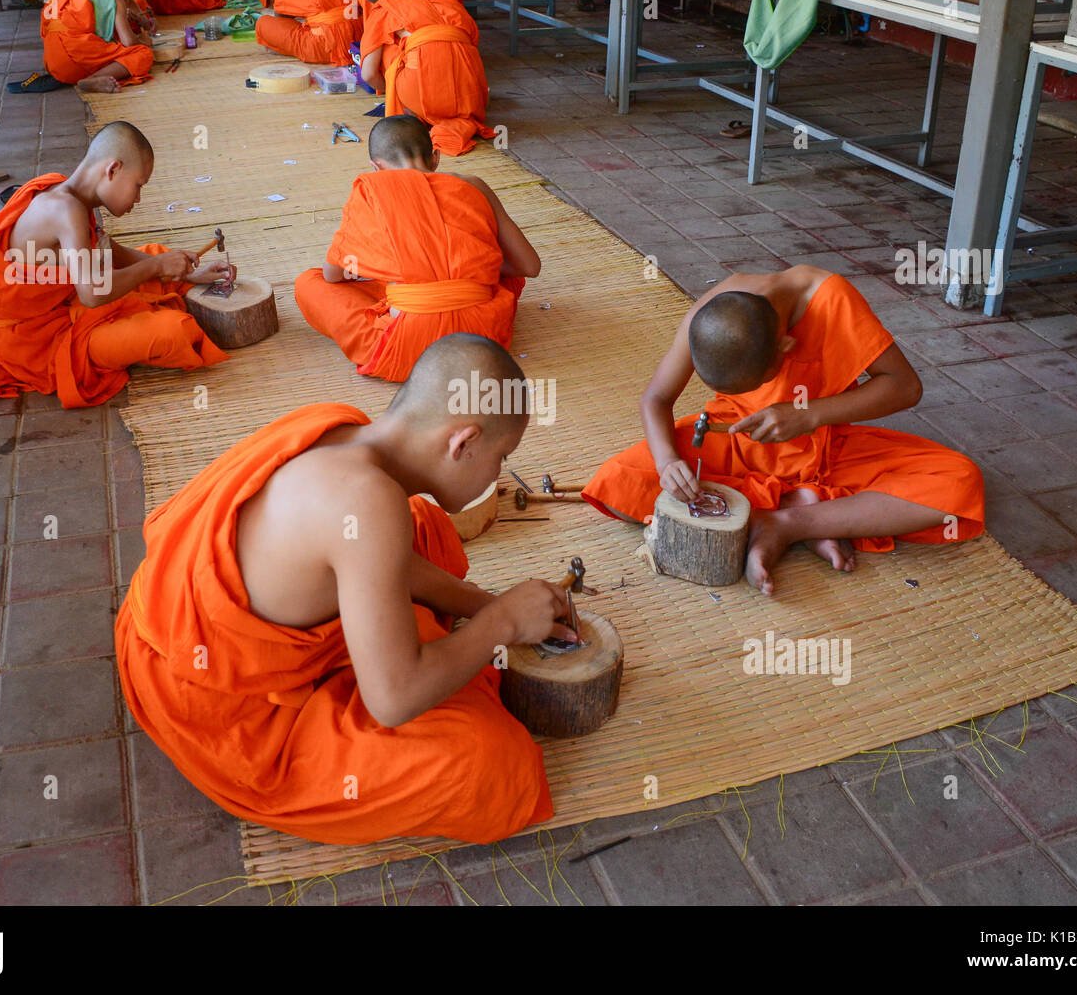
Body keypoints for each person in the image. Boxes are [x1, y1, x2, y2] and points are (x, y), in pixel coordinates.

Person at [115, 333, 568, 844]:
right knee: (490, 763)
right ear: (461, 443)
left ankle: (399, 647)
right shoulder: (369, 503)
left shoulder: (341, 425)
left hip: (161, 615)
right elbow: (393, 701)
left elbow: (380, 552)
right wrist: (502, 622)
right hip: (212, 701)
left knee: (422, 524)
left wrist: (483, 603)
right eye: (501, 457)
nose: (499, 473)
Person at [580, 265, 986, 596]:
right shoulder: (714, 311)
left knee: (959, 483)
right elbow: (655, 398)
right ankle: (813, 509)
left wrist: (808, 414)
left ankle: (786, 524)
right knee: (617, 483)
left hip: (823, 447)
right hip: (733, 440)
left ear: (785, 349)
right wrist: (668, 463)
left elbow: (905, 386)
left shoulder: (831, 299)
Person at [0, 123, 230, 412]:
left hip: (63, 306)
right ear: (112, 170)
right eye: (138, 186)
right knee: (175, 332)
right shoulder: (66, 209)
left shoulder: (67, 191)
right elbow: (91, 293)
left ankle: (160, 289)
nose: (138, 199)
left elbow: (110, 254)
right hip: (34, 341)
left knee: (157, 254)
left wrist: (188, 274)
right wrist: (156, 267)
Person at [294, 116, 539, 382]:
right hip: (483, 343)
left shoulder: (371, 191)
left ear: (376, 167)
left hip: (405, 348)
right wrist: (474, 262)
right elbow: (529, 266)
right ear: (435, 157)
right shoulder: (474, 185)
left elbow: (333, 275)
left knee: (311, 282)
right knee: (503, 278)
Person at [360, 0, 493, 156]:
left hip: (422, 94)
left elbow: (368, 74)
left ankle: (417, 113)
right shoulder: (448, 2)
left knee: (392, 49)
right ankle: (456, 117)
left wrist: (394, 93)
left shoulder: (387, 8)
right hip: (471, 94)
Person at [40, 0, 152, 93]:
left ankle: (92, 77)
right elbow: (129, 42)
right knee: (143, 53)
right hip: (76, 60)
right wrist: (145, 42)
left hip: (55, 67)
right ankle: (94, 78)